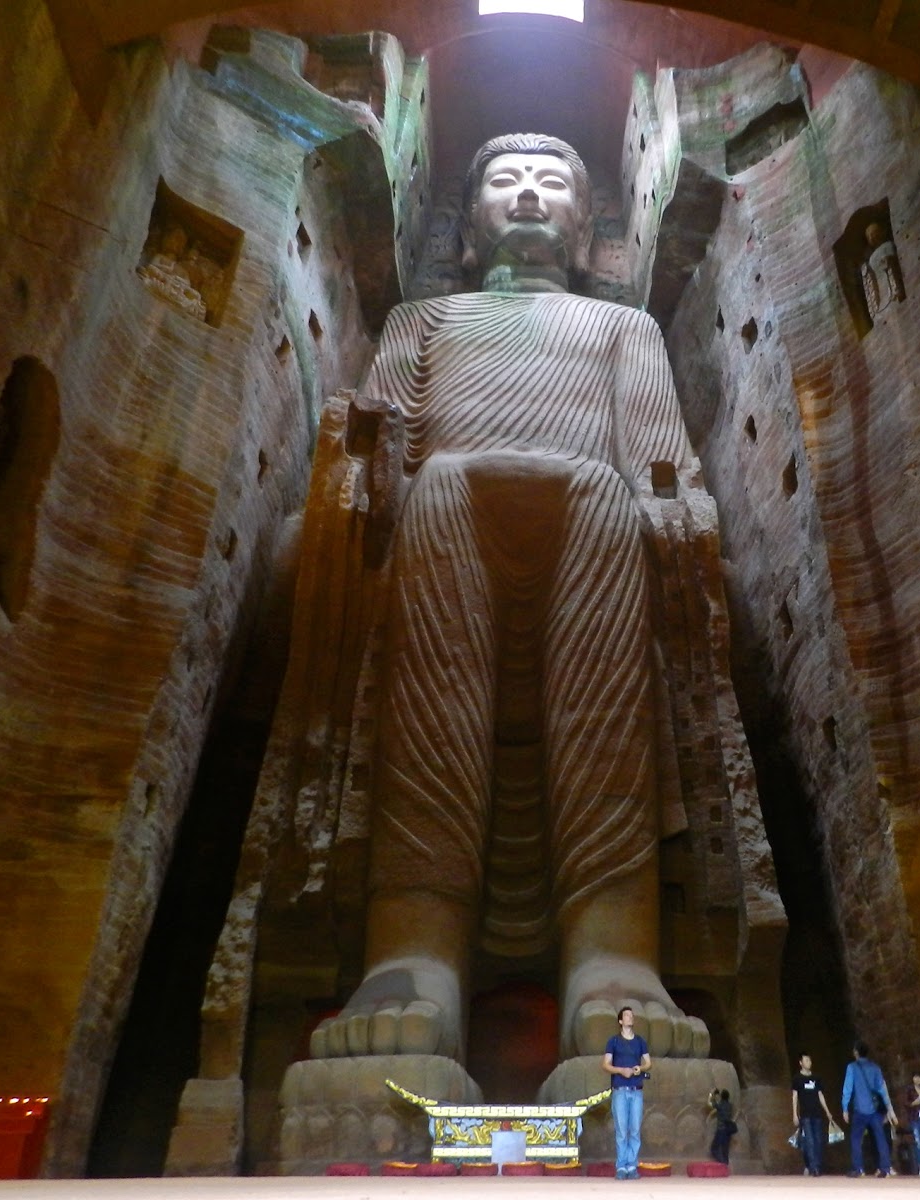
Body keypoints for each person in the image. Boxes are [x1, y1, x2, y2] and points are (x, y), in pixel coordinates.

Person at [305, 133, 709, 1065]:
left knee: (607, 501)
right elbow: (378, 447)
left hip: (594, 528)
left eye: (551, 181)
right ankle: (412, 956)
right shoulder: (422, 322)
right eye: (504, 180)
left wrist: (676, 514)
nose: (527, 195)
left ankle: (615, 962)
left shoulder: (623, 330)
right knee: (442, 488)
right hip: (445, 519)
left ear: (585, 231)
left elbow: (660, 464)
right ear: (468, 223)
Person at [604, 1006, 651, 1179]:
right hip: (619, 1089)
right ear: (620, 1021)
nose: (630, 1018)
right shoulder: (613, 1041)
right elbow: (605, 1064)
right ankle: (621, 1166)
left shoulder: (640, 1041)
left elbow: (648, 1062)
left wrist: (640, 1067)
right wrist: (620, 1070)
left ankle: (632, 1165)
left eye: (631, 1015)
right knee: (622, 1130)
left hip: (636, 1089)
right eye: (626, 1016)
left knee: (635, 1129)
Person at [841, 1041, 898, 1178]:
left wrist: (845, 1108)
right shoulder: (875, 1068)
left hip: (860, 1109)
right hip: (874, 1110)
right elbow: (882, 1090)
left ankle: (859, 1169)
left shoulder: (852, 1067)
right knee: (880, 1138)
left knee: (856, 1138)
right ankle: (885, 1167)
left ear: (856, 1052)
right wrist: (889, 1109)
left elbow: (848, 1088)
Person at [791, 1053, 837, 1176]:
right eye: (806, 1060)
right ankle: (813, 1167)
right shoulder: (797, 1078)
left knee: (818, 1140)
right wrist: (795, 1114)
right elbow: (795, 1097)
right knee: (810, 1141)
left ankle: (816, 1165)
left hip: (817, 1113)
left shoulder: (817, 1078)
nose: (809, 1062)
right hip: (805, 1114)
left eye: (810, 1060)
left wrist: (827, 1111)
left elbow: (820, 1095)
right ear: (800, 1063)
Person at [708, 1087, 737, 1164]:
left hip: (721, 1130)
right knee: (725, 1150)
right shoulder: (730, 1105)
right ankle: (725, 1165)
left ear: (721, 1097)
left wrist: (711, 1094)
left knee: (714, 1149)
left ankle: (722, 1162)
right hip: (728, 1130)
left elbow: (709, 1104)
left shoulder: (720, 1105)